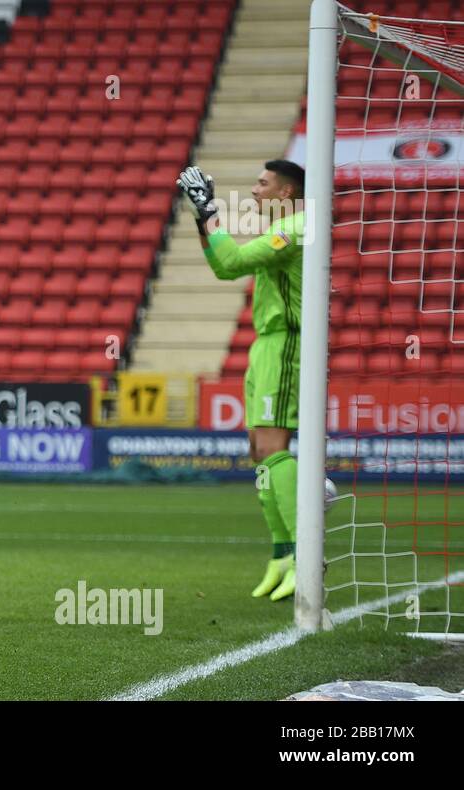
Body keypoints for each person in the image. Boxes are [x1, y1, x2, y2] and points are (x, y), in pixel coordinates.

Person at [179, 159, 306, 602]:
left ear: (286, 192)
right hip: (265, 343)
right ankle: (282, 554)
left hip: (287, 344)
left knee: (274, 447)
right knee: (259, 450)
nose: (253, 190)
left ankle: (306, 557)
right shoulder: (284, 228)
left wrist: (207, 210)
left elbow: (230, 262)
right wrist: (205, 217)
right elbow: (223, 267)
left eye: (263, 183)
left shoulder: (298, 228)